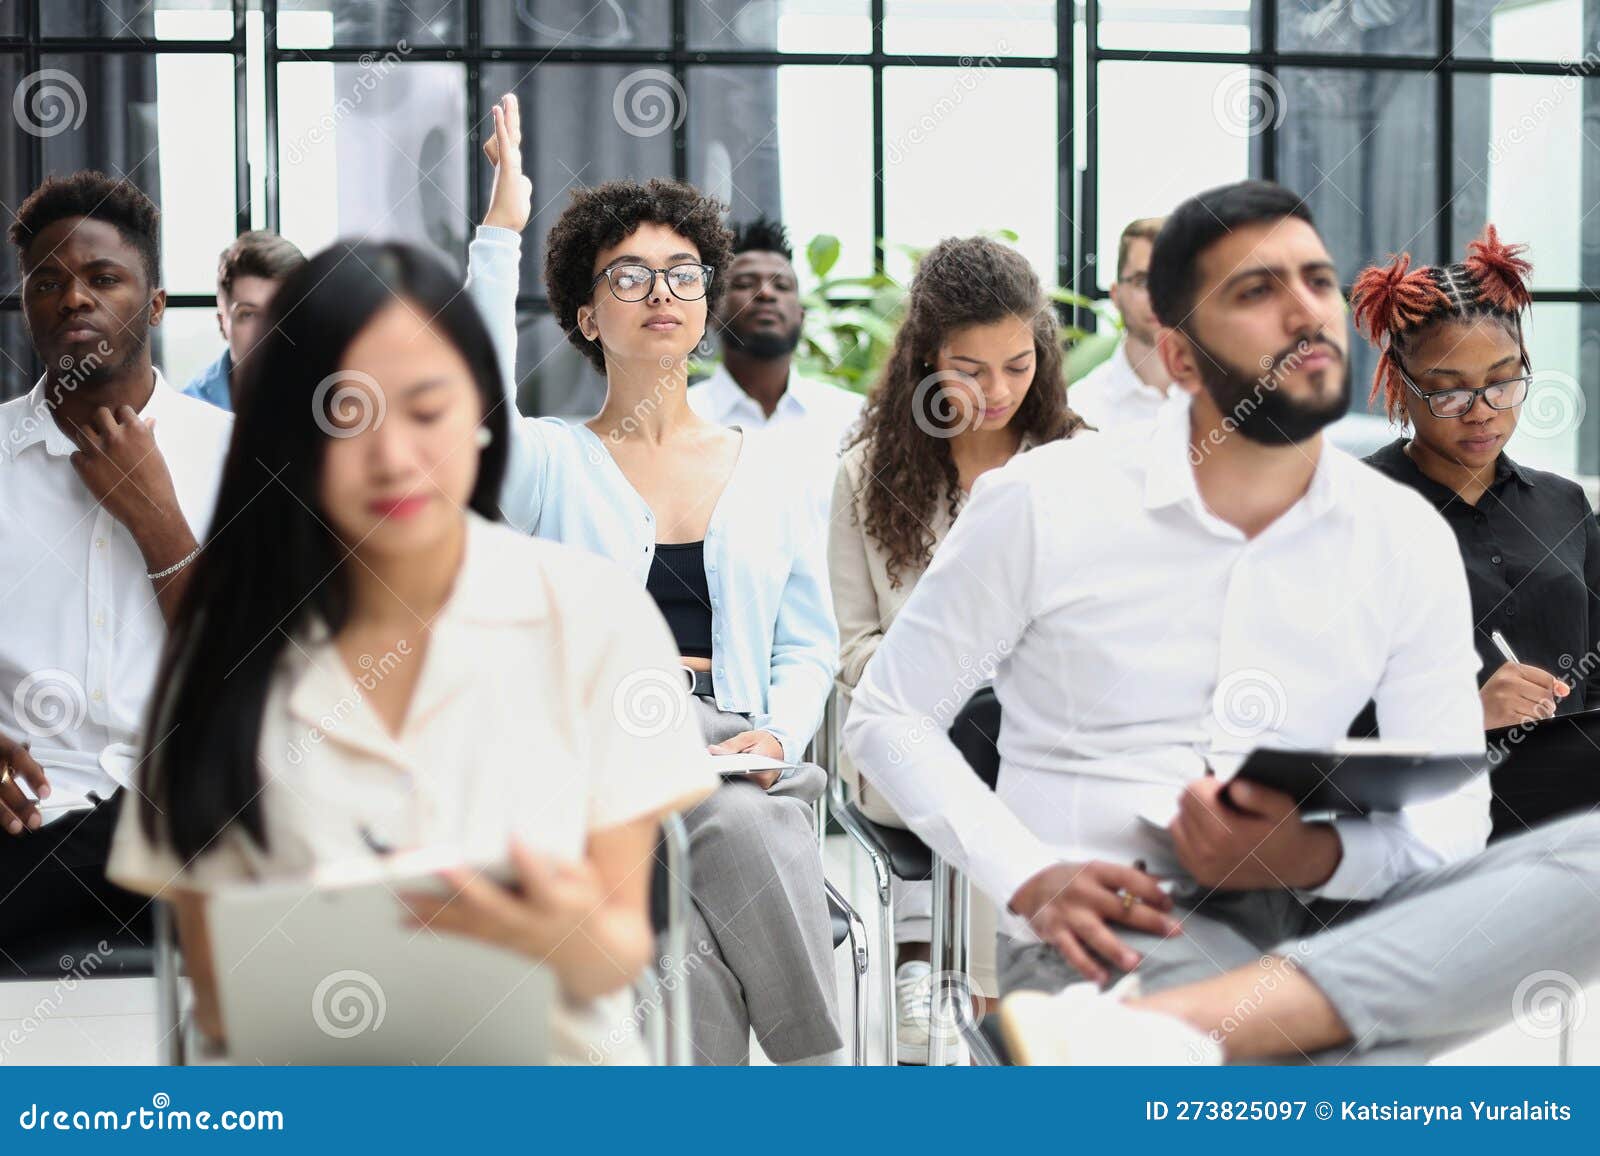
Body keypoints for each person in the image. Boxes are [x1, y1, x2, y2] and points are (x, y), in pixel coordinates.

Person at [844, 179, 1515, 1064]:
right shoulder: (1043, 502)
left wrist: (1304, 860)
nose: (1304, 310)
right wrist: (1030, 876)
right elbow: (888, 716)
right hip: (1111, 925)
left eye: (1315, 279)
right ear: (1183, 356)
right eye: (1255, 290)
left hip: (1330, 915)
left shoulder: (1402, 537)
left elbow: (1456, 813)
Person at [106, 236, 716, 1065]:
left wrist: (550, 931)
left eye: (427, 411)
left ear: (481, 419)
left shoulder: (595, 617)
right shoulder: (224, 646)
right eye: (347, 413)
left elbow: (621, 948)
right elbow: (218, 995)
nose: (393, 458)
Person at [477, 104, 845, 1065]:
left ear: (707, 302)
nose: (662, 291)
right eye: (629, 275)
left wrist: (779, 731)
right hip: (600, 751)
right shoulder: (550, 461)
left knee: (697, 902)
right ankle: (820, 1069)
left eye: (684, 274)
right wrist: (501, 231)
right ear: (587, 314)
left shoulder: (770, 468)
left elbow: (808, 643)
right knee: (739, 827)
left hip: (737, 749)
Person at [829, 234, 1087, 1062]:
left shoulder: (1077, 466)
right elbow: (854, 648)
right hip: (910, 742)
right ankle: (996, 1007)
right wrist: (942, 681)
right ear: (925, 362)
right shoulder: (864, 477)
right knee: (984, 752)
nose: (998, 390)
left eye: (1017, 365)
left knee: (1014, 750)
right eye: (970, 369)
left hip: (1045, 733)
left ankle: (975, 1004)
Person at [0, 171, 232, 956]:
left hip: (191, 833)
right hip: (25, 831)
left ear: (157, 303)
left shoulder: (239, 457)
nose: (74, 300)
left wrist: (157, 519)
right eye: (48, 283)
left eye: (104, 279)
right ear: (27, 304)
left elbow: (260, 673)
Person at [1350, 228, 1600, 837]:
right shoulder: (1350, 516)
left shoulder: (1565, 505)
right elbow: (1310, 739)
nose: (1483, 409)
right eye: (1448, 391)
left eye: (1503, 380)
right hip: (1419, 836)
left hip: (1567, 825)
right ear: (1402, 389)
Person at [689, 216, 864, 526]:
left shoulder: (853, 419)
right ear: (713, 312)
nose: (766, 294)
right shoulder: (681, 417)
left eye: (782, 285)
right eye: (744, 283)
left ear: (801, 314)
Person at [183, 230, 307, 412]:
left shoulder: (338, 403)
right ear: (222, 324)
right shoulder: (188, 411)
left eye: (283, 311)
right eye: (249, 314)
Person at [1067, 216, 1172, 430]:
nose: (1159, 296)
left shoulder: (1227, 397)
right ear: (1116, 294)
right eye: (1142, 281)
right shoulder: (1082, 408)